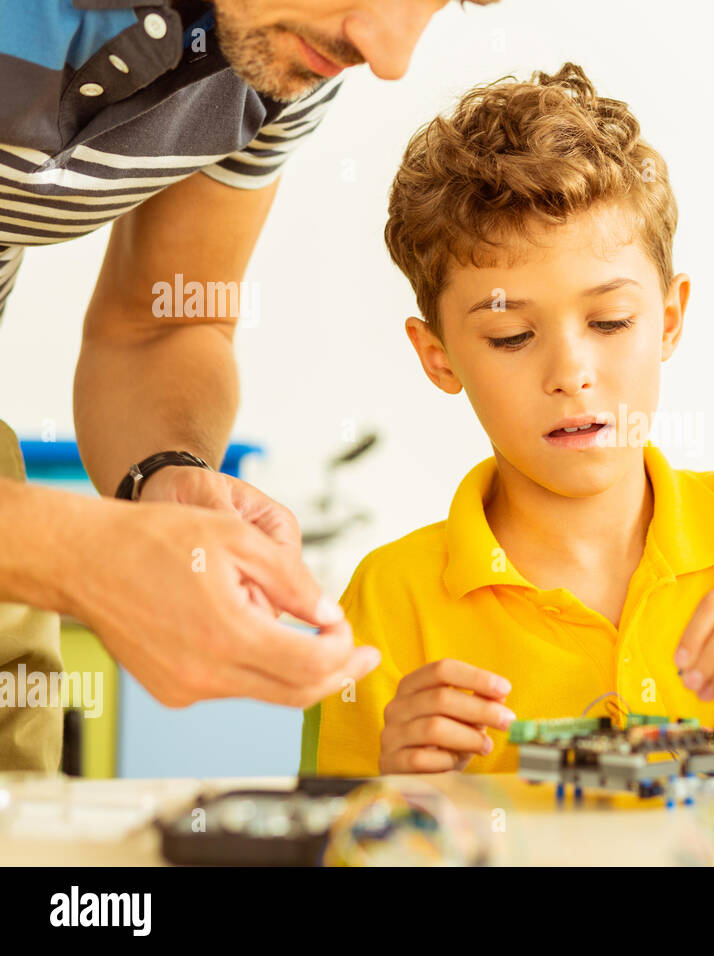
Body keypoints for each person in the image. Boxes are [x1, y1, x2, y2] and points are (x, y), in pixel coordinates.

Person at [303, 63, 714, 776]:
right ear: (439, 357)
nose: (570, 374)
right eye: (511, 338)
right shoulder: (389, 598)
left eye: (611, 321)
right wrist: (395, 782)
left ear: (669, 321)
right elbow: (339, 837)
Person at [0, 0, 499, 771]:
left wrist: (166, 477)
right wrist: (73, 555)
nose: (391, 52)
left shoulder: (281, 50)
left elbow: (162, 323)